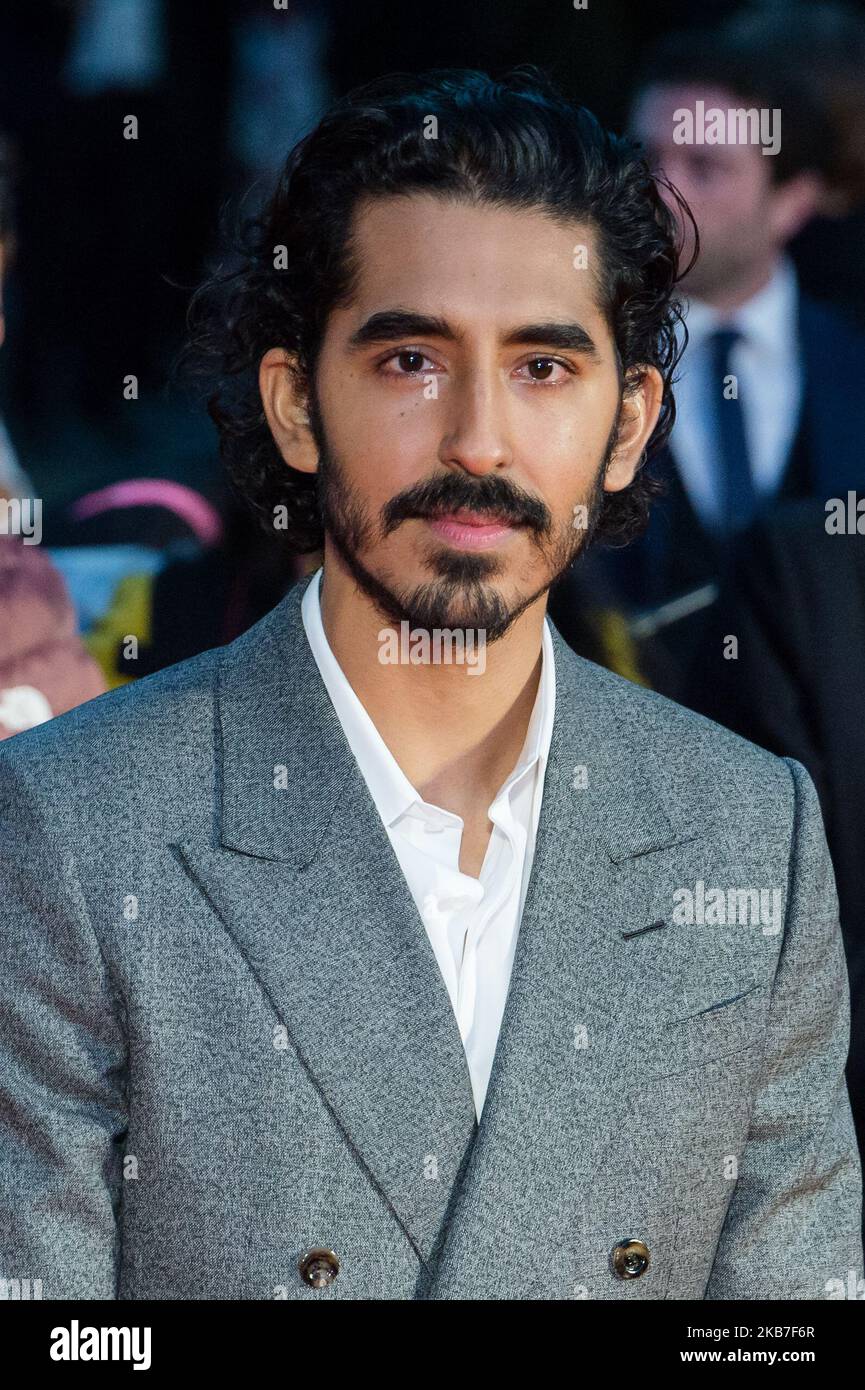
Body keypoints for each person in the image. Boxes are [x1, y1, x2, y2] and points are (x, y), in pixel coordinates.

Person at [0, 67, 860, 1301]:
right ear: (296, 405)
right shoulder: (73, 829)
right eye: (410, 358)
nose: (477, 438)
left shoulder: (749, 835)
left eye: (544, 369)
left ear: (627, 425)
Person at [581, 5, 865, 632]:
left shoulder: (853, 365)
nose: (659, 191)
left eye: (703, 169)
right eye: (648, 156)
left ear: (791, 202)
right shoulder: (573, 362)